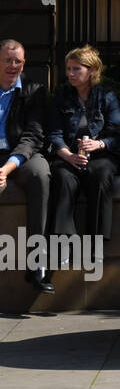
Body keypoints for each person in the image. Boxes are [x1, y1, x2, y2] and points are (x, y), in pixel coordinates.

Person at [47, 45, 120, 249]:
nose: (70, 74)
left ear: (91, 71)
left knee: (102, 174)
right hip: (68, 155)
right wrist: (69, 156)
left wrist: (98, 144)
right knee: (62, 178)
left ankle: (94, 243)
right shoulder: (61, 96)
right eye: (68, 69)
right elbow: (54, 134)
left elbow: (117, 134)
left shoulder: (106, 97)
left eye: (76, 69)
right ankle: (63, 243)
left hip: (99, 156)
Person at [0, 39, 55, 294]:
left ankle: (37, 265)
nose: (13, 66)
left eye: (18, 61)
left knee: (40, 174)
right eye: (8, 60)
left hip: (19, 155)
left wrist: (6, 170)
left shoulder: (34, 91)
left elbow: (33, 136)